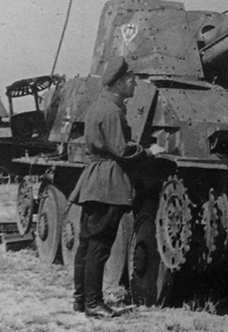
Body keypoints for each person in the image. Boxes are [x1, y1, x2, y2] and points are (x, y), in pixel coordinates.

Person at [69, 55, 164, 319]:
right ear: (120, 82)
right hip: (108, 181)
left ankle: (81, 300)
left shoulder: (98, 106)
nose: (135, 84)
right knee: (99, 247)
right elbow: (122, 150)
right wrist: (150, 151)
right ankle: (94, 304)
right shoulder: (111, 111)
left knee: (87, 245)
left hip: (95, 178)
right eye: (131, 80)